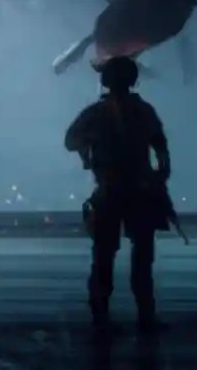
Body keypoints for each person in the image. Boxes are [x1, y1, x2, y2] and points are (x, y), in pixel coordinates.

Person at [65, 56, 170, 335]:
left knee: (103, 257)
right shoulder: (143, 111)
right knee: (142, 259)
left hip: (110, 191)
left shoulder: (97, 113)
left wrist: (86, 153)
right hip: (140, 191)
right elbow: (161, 150)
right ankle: (144, 316)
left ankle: (101, 316)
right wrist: (159, 178)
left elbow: (71, 140)